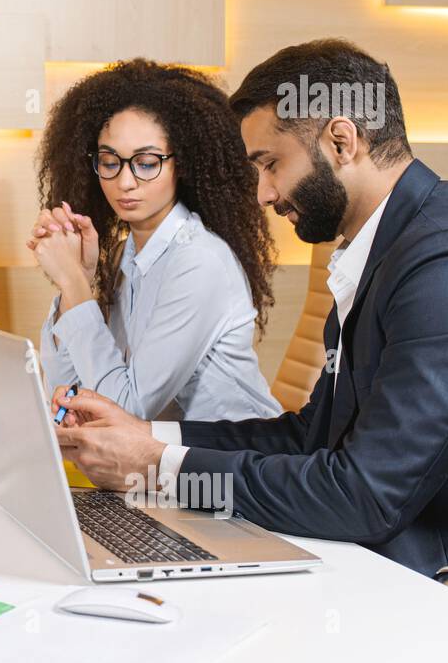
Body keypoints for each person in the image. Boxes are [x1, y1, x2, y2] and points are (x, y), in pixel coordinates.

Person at [53, 39, 448, 624]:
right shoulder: (387, 246)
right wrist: (143, 432)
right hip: (379, 555)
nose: (262, 193)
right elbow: (315, 437)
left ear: (340, 141)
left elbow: (365, 495)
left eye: (270, 164)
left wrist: (157, 468)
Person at [30, 59, 280, 422]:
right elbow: (67, 387)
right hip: (161, 467)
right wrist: (79, 283)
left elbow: (127, 411)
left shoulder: (198, 262)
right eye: (109, 161)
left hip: (232, 467)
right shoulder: (124, 257)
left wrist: (72, 282)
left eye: (146, 163)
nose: (125, 182)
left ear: (184, 163)